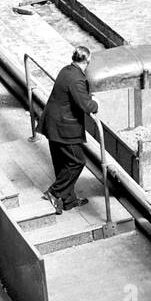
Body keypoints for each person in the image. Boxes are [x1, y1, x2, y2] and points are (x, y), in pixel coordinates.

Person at [39, 46, 96, 213]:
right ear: (87, 61)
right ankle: (54, 193)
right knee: (77, 161)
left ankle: (68, 201)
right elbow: (86, 106)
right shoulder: (78, 79)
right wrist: (95, 103)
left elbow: (73, 95)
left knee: (61, 162)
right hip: (64, 128)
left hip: (52, 123)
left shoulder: (66, 70)